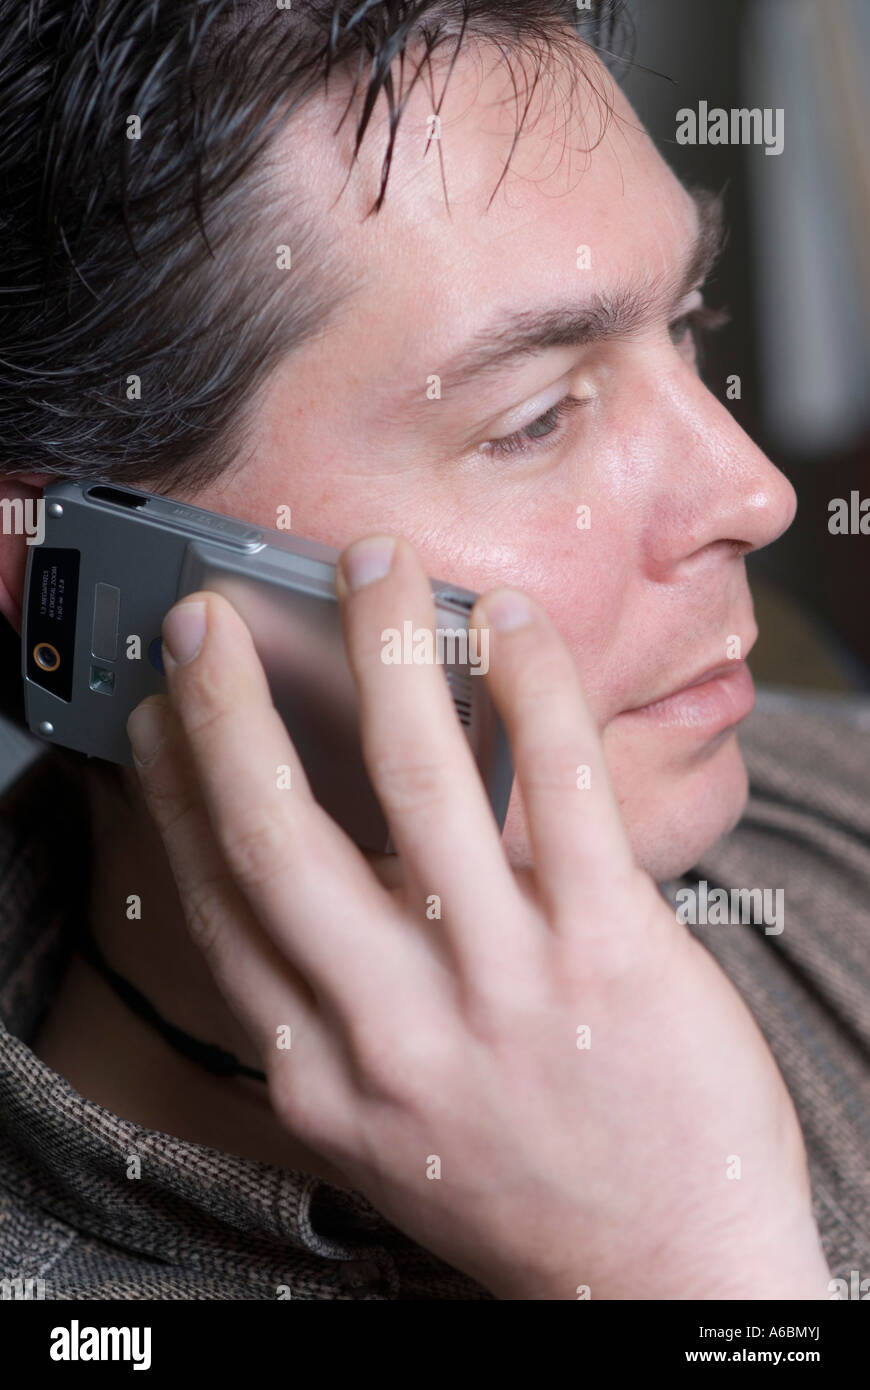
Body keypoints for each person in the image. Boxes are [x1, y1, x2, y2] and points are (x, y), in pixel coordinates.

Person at [0, 0, 866, 1301]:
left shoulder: (817, 792)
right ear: (82, 582)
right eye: (534, 419)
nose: (752, 494)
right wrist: (696, 1271)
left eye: (684, 322)